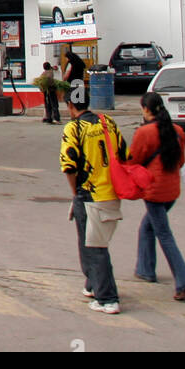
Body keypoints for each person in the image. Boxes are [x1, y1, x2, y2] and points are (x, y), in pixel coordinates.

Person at [60, 88, 127, 314]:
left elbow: (69, 167)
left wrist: (74, 192)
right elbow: (125, 155)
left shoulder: (74, 128)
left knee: (95, 249)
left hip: (90, 195)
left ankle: (108, 298)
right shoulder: (108, 122)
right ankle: (92, 284)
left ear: (70, 105)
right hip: (112, 193)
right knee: (89, 244)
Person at [129, 91, 185, 301]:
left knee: (164, 234)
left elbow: (133, 161)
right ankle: (145, 269)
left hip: (154, 191)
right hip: (171, 190)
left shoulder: (145, 133)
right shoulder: (177, 130)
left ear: (146, 109)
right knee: (147, 227)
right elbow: (180, 161)